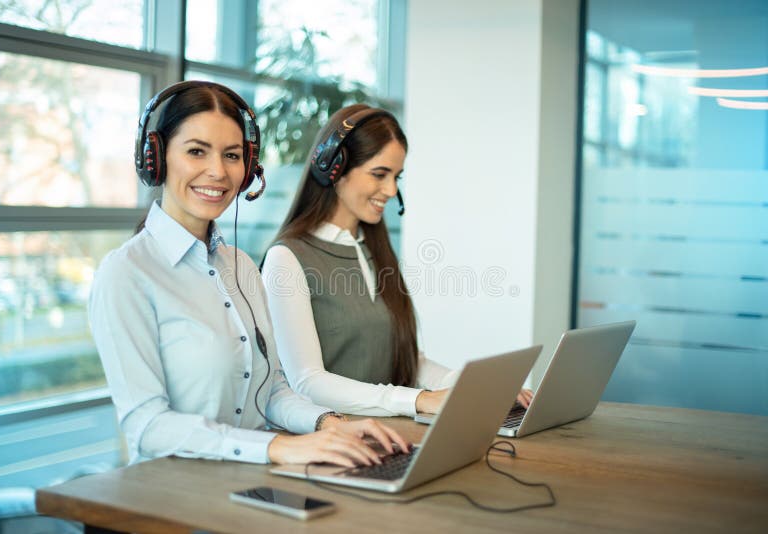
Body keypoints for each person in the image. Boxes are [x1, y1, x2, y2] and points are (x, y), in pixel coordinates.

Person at [88, 82, 408, 468]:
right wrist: (275, 448)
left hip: (255, 483)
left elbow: (272, 390)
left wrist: (328, 423)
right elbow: (148, 426)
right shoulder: (127, 274)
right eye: (196, 152)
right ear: (156, 158)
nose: (218, 172)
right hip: (175, 496)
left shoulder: (239, 266)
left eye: (232, 155)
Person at [261, 105, 533, 418]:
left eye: (396, 177)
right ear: (334, 169)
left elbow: (404, 359)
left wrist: (471, 386)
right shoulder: (288, 258)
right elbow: (307, 382)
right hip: (334, 441)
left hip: (389, 433)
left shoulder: (372, 249)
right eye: (379, 174)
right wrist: (417, 401)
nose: (391, 190)